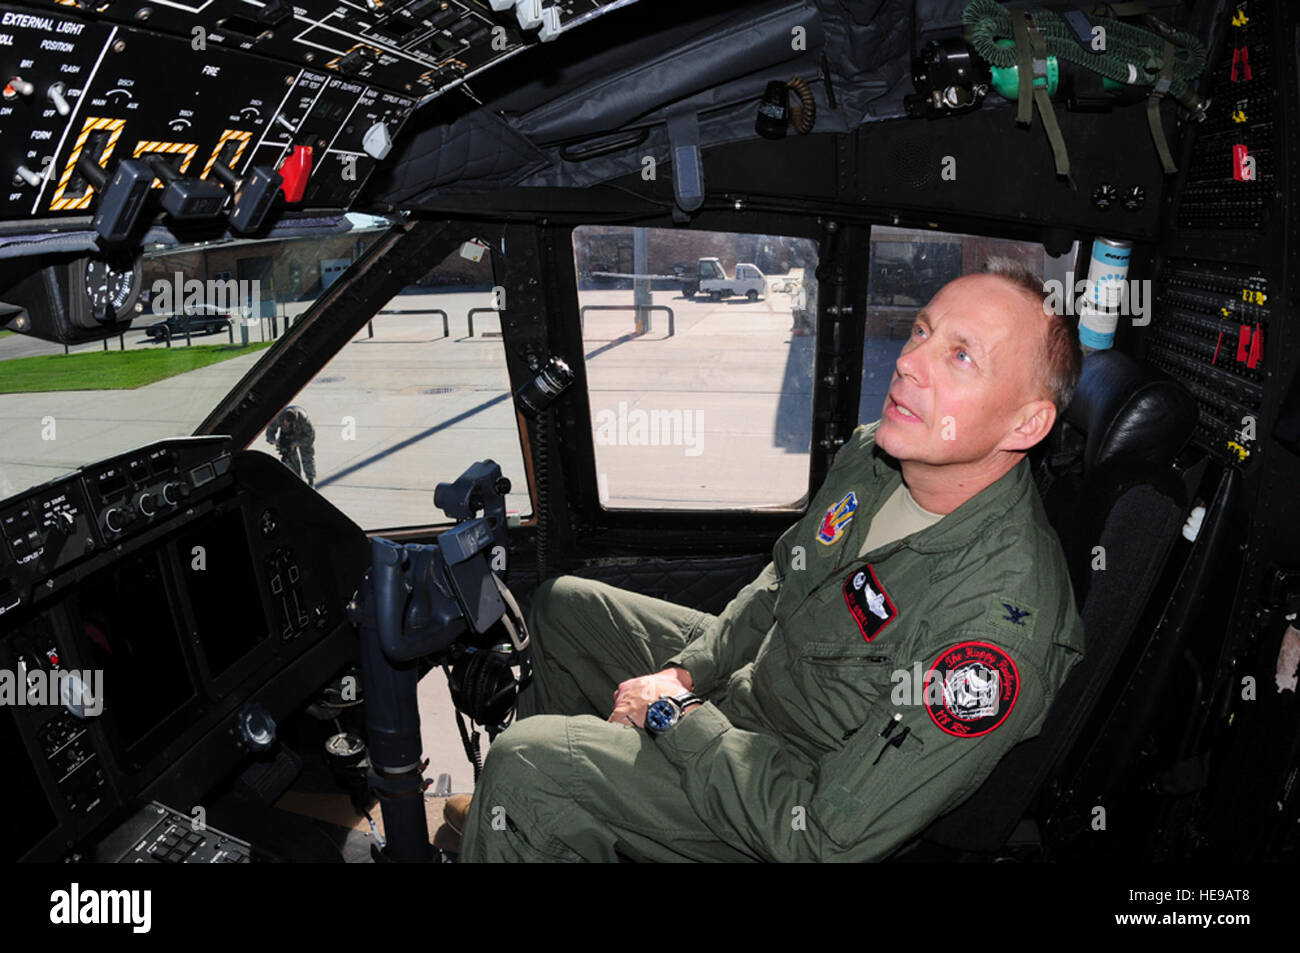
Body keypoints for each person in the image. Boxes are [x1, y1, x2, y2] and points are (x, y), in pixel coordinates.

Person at [449, 257, 1085, 862]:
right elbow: (786, 577)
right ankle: (529, 828)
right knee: (563, 607)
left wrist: (673, 717)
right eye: (921, 331)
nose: (911, 362)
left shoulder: (994, 633)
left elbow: (825, 836)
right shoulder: (875, 457)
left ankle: (533, 802)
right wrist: (689, 674)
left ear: (1025, 426)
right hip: (763, 679)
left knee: (527, 765)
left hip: (782, 796)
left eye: (961, 356)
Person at [265, 405, 316, 488]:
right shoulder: (279, 417)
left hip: (303, 436)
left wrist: (296, 443)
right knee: (291, 460)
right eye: (286, 422)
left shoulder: (303, 418)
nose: (288, 424)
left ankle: (311, 481)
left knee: (307, 457)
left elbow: (310, 435)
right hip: (288, 437)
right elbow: (270, 431)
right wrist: (274, 441)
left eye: (290, 423)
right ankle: (298, 481)